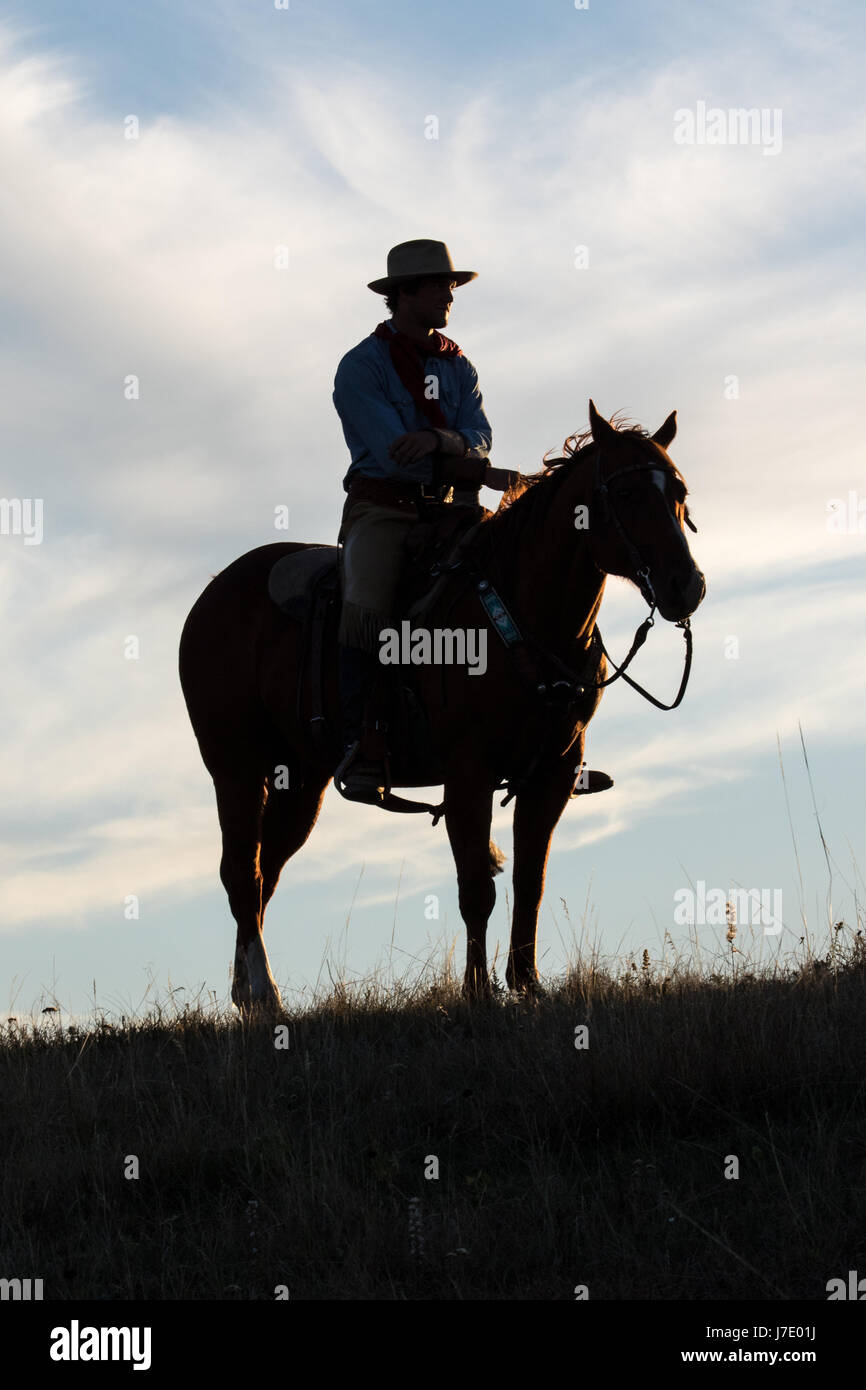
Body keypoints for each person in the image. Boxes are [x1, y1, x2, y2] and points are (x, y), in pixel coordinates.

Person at [332, 239, 513, 803]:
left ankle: (534, 725)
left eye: (451, 285)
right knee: (369, 603)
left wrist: (440, 440)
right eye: (437, 285)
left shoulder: (459, 366)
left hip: (452, 507)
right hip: (385, 508)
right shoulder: (361, 367)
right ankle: (363, 741)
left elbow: (479, 436)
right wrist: (469, 463)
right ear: (401, 295)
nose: (448, 294)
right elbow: (393, 455)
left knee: (519, 577)